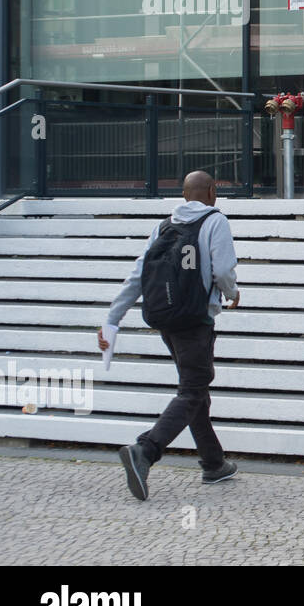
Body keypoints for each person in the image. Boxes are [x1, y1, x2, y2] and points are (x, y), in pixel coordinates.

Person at [99, 171, 241, 500]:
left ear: (183, 193)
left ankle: (213, 463)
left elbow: (138, 274)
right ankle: (145, 451)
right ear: (211, 191)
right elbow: (222, 270)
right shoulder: (215, 221)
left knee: (193, 390)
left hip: (166, 320)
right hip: (195, 320)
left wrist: (112, 320)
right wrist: (232, 292)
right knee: (193, 391)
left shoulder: (164, 226)